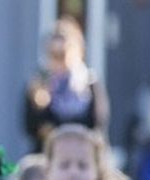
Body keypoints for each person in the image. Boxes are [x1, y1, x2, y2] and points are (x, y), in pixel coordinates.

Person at [23, 16, 110, 153]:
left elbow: (98, 125)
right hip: (49, 155)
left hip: (83, 155)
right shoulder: (39, 82)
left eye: (63, 54)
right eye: (53, 54)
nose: (59, 61)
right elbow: (30, 126)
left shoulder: (89, 82)